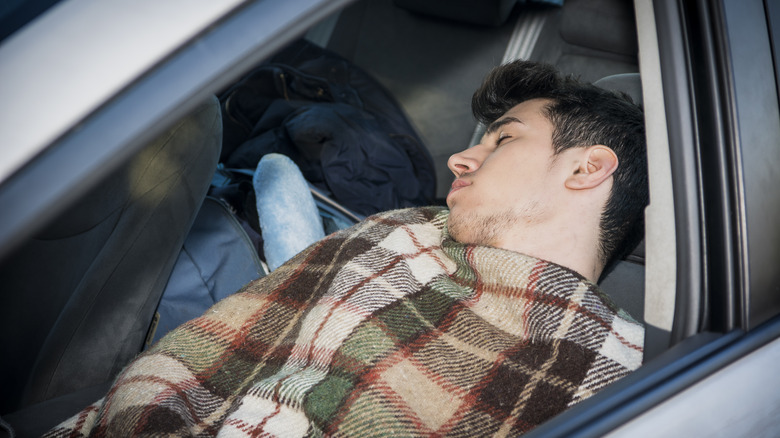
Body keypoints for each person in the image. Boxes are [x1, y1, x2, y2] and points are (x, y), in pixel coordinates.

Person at [44, 60, 648, 437]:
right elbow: (211, 354)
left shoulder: (618, 375)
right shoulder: (400, 232)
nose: (461, 159)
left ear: (587, 169)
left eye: (504, 140)